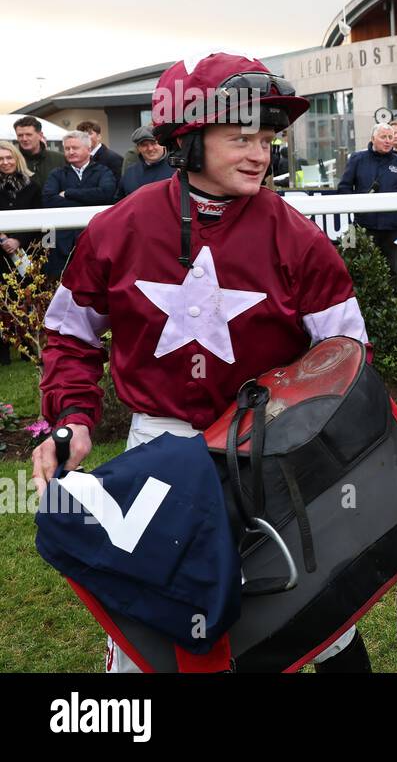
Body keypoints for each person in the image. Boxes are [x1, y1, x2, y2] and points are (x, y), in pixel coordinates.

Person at [32, 51, 373, 673]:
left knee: (321, 618)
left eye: (266, 138)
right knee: (154, 637)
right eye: (240, 137)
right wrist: (74, 415)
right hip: (161, 449)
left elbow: (347, 359)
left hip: (271, 450)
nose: (259, 153)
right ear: (188, 141)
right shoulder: (117, 228)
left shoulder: (300, 238)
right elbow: (70, 337)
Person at [337, 123, 397, 291]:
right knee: (365, 270)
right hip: (364, 227)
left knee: (392, 271)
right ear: (372, 139)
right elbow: (344, 188)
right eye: (383, 137)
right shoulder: (357, 159)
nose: (387, 141)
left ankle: (392, 310)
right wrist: (359, 203)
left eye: (390, 138)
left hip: (392, 228)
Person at [41, 131, 116, 278]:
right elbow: (48, 200)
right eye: (67, 148)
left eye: (75, 148)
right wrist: (89, 198)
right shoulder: (57, 174)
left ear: (88, 149)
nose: (70, 152)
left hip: (95, 237)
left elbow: (106, 195)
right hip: (62, 242)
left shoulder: (103, 171)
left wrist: (68, 193)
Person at [0, 141, 42, 366]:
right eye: (1, 159)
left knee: (24, 300)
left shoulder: (31, 186)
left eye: (9, 158)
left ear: (17, 159)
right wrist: (4, 239)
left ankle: (28, 348)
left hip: (24, 251)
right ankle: (3, 353)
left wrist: (18, 241)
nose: (5, 162)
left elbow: (38, 221)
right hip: (0, 251)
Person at [116, 125, 175, 199]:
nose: (150, 148)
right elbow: (120, 201)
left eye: (154, 143)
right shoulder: (130, 173)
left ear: (163, 144)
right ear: (138, 148)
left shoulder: (176, 170)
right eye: (144, 145)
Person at [13, 116, 64, 190]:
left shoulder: (60, 159)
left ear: (40, 135)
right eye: (20, 135)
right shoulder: (11, 161)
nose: (24, 139)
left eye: (29, 135)